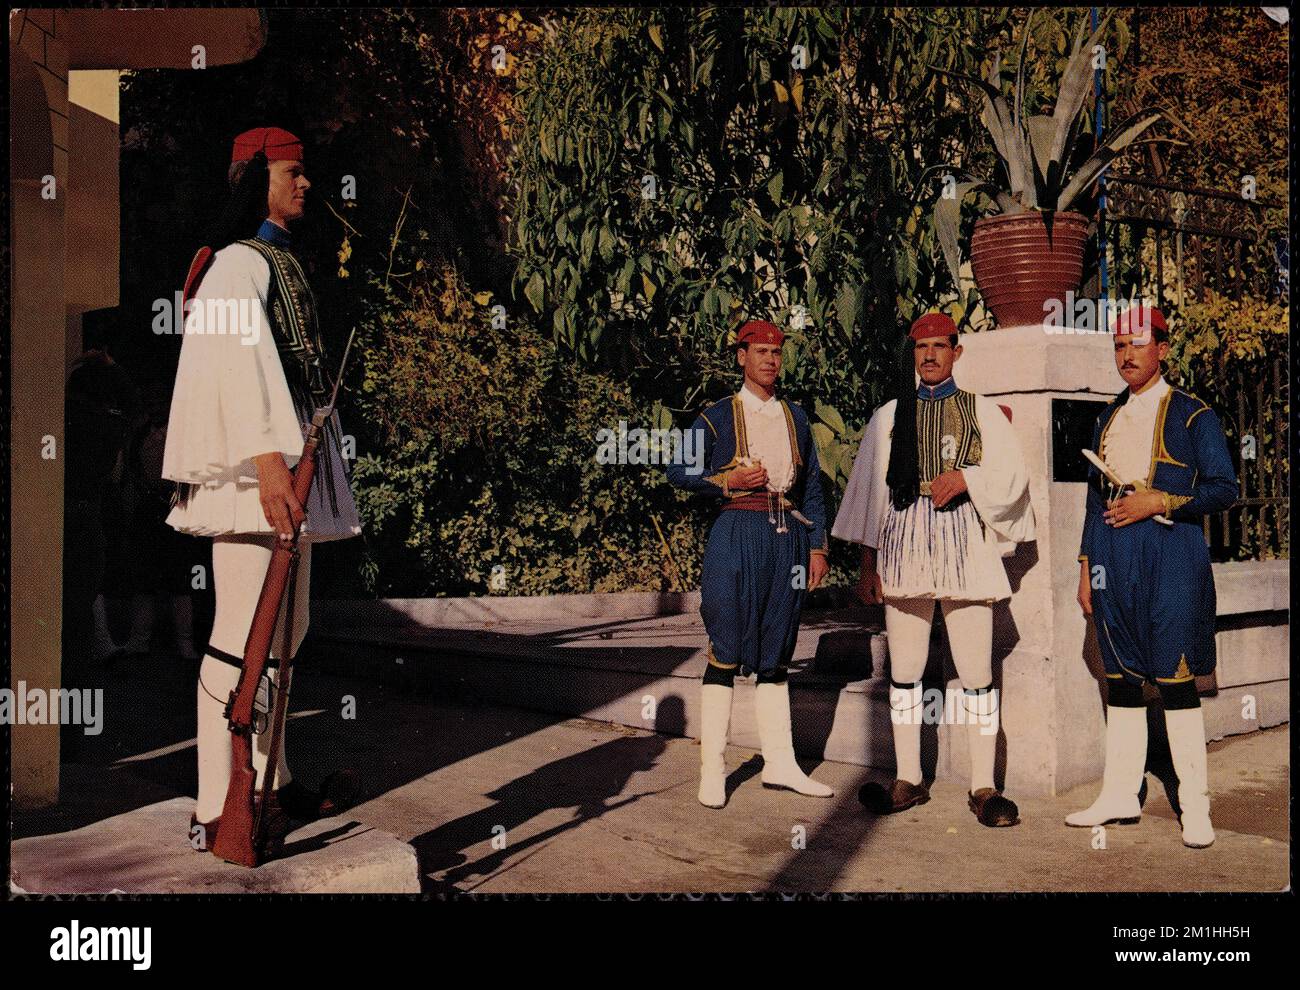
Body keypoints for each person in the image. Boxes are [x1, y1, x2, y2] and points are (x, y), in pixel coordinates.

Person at [162, 126, 362, 850]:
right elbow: (231, 366)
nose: (305, 183)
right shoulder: (234, 265)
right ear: (254, 177)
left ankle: (269, 783)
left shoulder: (277, 260)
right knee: (237, 638)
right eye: (291, 172)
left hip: (288, 466)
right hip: (256, 472)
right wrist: (267, 461)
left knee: (285, 634)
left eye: (306, 173)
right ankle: (218, 803)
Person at [832, 312, 1035, 827]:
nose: (929, 356)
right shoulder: (888, 416)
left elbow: (1013, 475)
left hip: (963, 541)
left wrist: (967, 479)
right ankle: (908, 779)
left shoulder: (982, 412)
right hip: (902, 540)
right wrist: (866, 565)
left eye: (939, 346)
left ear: (956, 352)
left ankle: (983, 786)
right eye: (921, 347)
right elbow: (870, 495)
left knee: (976, 673)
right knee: (904, 671)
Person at [1067, 304, 1237, 848]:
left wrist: (1158, 499)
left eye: (1137, 344)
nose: (1126, 355)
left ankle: (1196, 805)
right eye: (1119, 346)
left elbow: (1224, 490)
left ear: (1162, 350)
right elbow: (1096, 504)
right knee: (1120, 678)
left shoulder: (1194, 414)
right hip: (1113, 559)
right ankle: (1120, 793)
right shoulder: (1107, 416)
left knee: (1175, 678)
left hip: (1171, 556)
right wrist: (1085, 566)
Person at [667, 319, 834, 809]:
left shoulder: (797, 417)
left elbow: (815, 490)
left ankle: (780, 764)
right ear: (741, 357)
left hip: (787, 536)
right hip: (735, 532)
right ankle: (713, 769)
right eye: (759, 351)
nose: (769, 360)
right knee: (726, 644)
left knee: (777, 649)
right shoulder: (717, 415)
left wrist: (819, 547)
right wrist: (727, 481)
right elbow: (678, 471)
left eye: (776, 353)